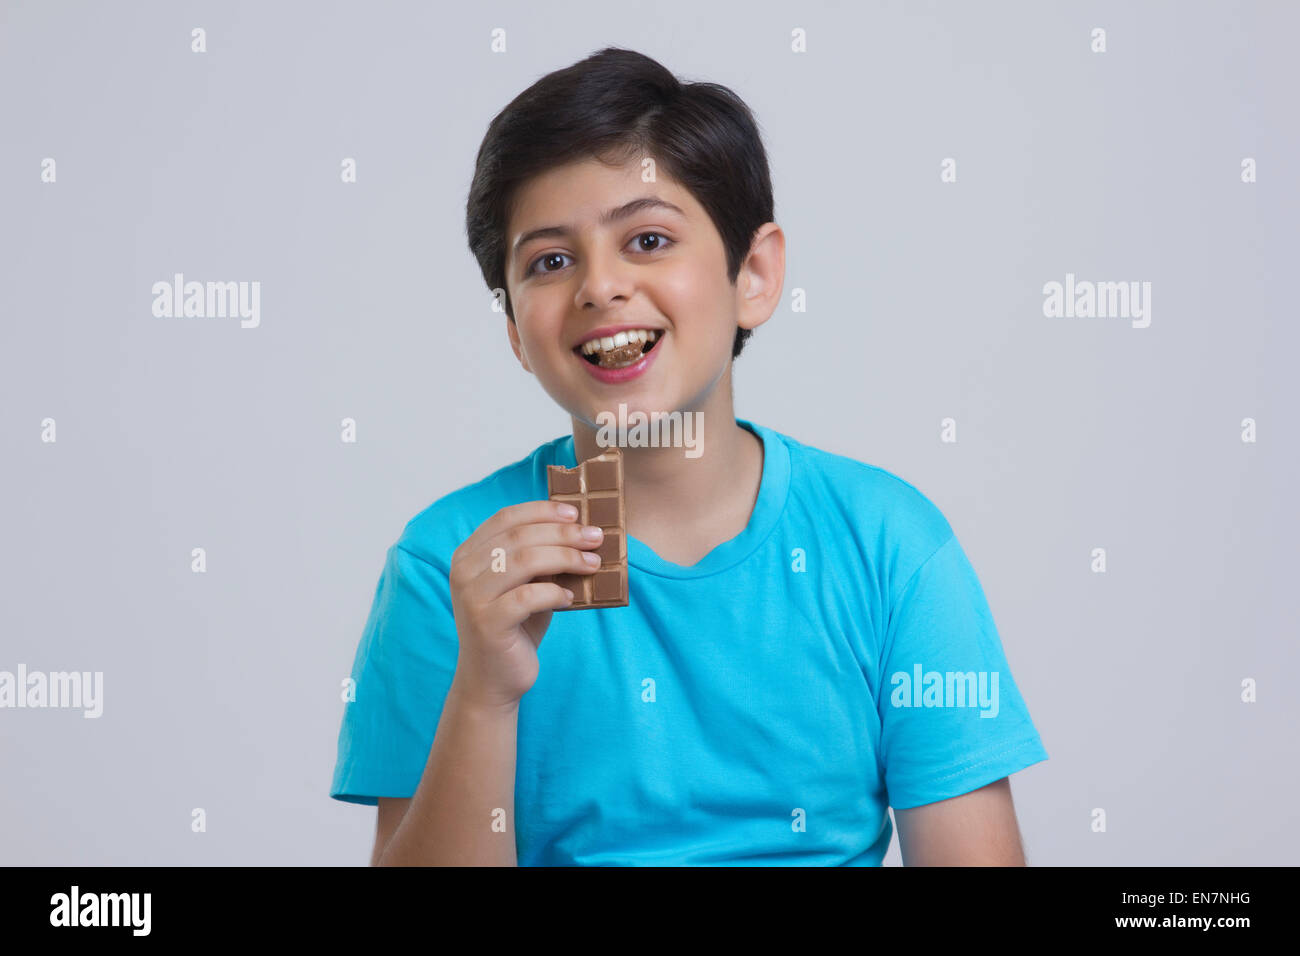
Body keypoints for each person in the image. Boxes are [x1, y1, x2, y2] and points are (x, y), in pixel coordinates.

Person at [330, 46, 1048, 866]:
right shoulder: (448, 567)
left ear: (755, 274)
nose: (600, 288)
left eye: (646, 239)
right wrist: (483, 696)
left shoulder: (892, 548)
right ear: (515, 332)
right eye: (551, 261)